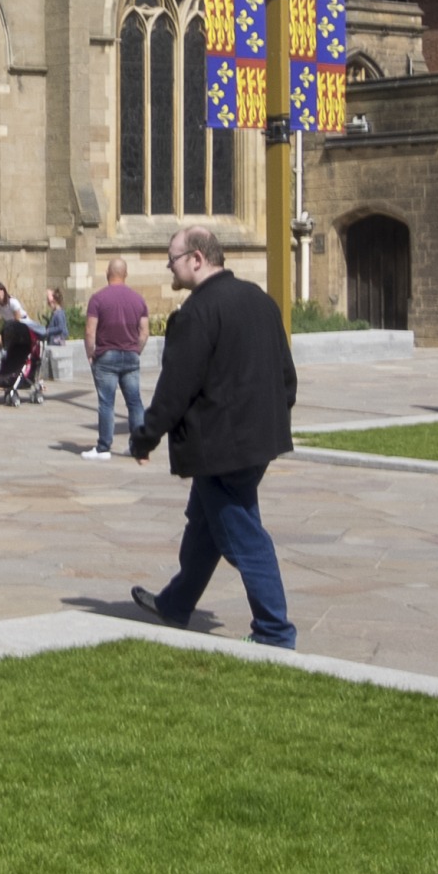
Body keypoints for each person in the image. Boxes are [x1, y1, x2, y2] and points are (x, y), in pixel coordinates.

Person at [126, 227, 298, 649]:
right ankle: (175, 604)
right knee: (204, 525)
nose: (170, 267)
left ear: (197, 259)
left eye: (173, 260)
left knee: (243, 535)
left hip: (220, 447)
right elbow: (287, 378)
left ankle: (274, 632)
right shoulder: (261, 301)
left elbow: (176, 388)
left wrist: (145, 437)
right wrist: (269, 420)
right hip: (258, 440)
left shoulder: (197, 313)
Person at [83, 259, 149, 460]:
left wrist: (90, 353)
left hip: (106, 356)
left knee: (106, 403)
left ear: (107, 273)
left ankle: (104, 448)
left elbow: (89, 331)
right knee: (135, 402)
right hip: (130, 355)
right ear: (125, 274)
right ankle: (138, 447)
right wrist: (136, 350)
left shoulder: (98, 299)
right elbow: (144, 331)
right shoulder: (138, 300)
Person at [0, 280, 39, 402]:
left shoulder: (12, 303)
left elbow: (18, 320)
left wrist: (4, 335)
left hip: (23, 325)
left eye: (1, 290)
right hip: (10, 327)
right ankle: (1, 375)